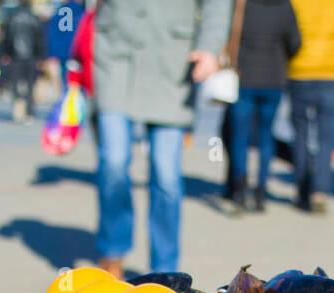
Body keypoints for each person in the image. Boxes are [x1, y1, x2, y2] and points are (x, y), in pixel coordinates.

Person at [91, 0, 232, 278]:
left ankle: (164, 269)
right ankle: (113, 248)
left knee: (166, 172)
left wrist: (210, 46)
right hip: (115, 55)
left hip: (172, 61)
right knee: (113, 161)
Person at [227, 0, 300, 213]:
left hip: (244, 77)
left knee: (240, 136)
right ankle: (260, 191)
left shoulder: (242, 4)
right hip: (273, 78)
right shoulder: (285, 6)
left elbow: (229, 34)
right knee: (266, 135)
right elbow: (296, 42)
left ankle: (239, 190)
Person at [286, 0, 334, 215]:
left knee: (300, 134)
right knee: (326, 135)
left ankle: (302, 190)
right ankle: (321, 190)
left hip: (298, 70)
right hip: (329, 72)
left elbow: (288, 29)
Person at [3, 0, 45, 124]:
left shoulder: (12, 18)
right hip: (31, 57)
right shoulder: (34, 19)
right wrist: (40, 56)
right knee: (30, 85)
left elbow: (7, 37)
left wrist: (6, 53)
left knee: (15, 84)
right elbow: (40, 39)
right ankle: (29, 112)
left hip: (15, 57)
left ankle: (17, 110)